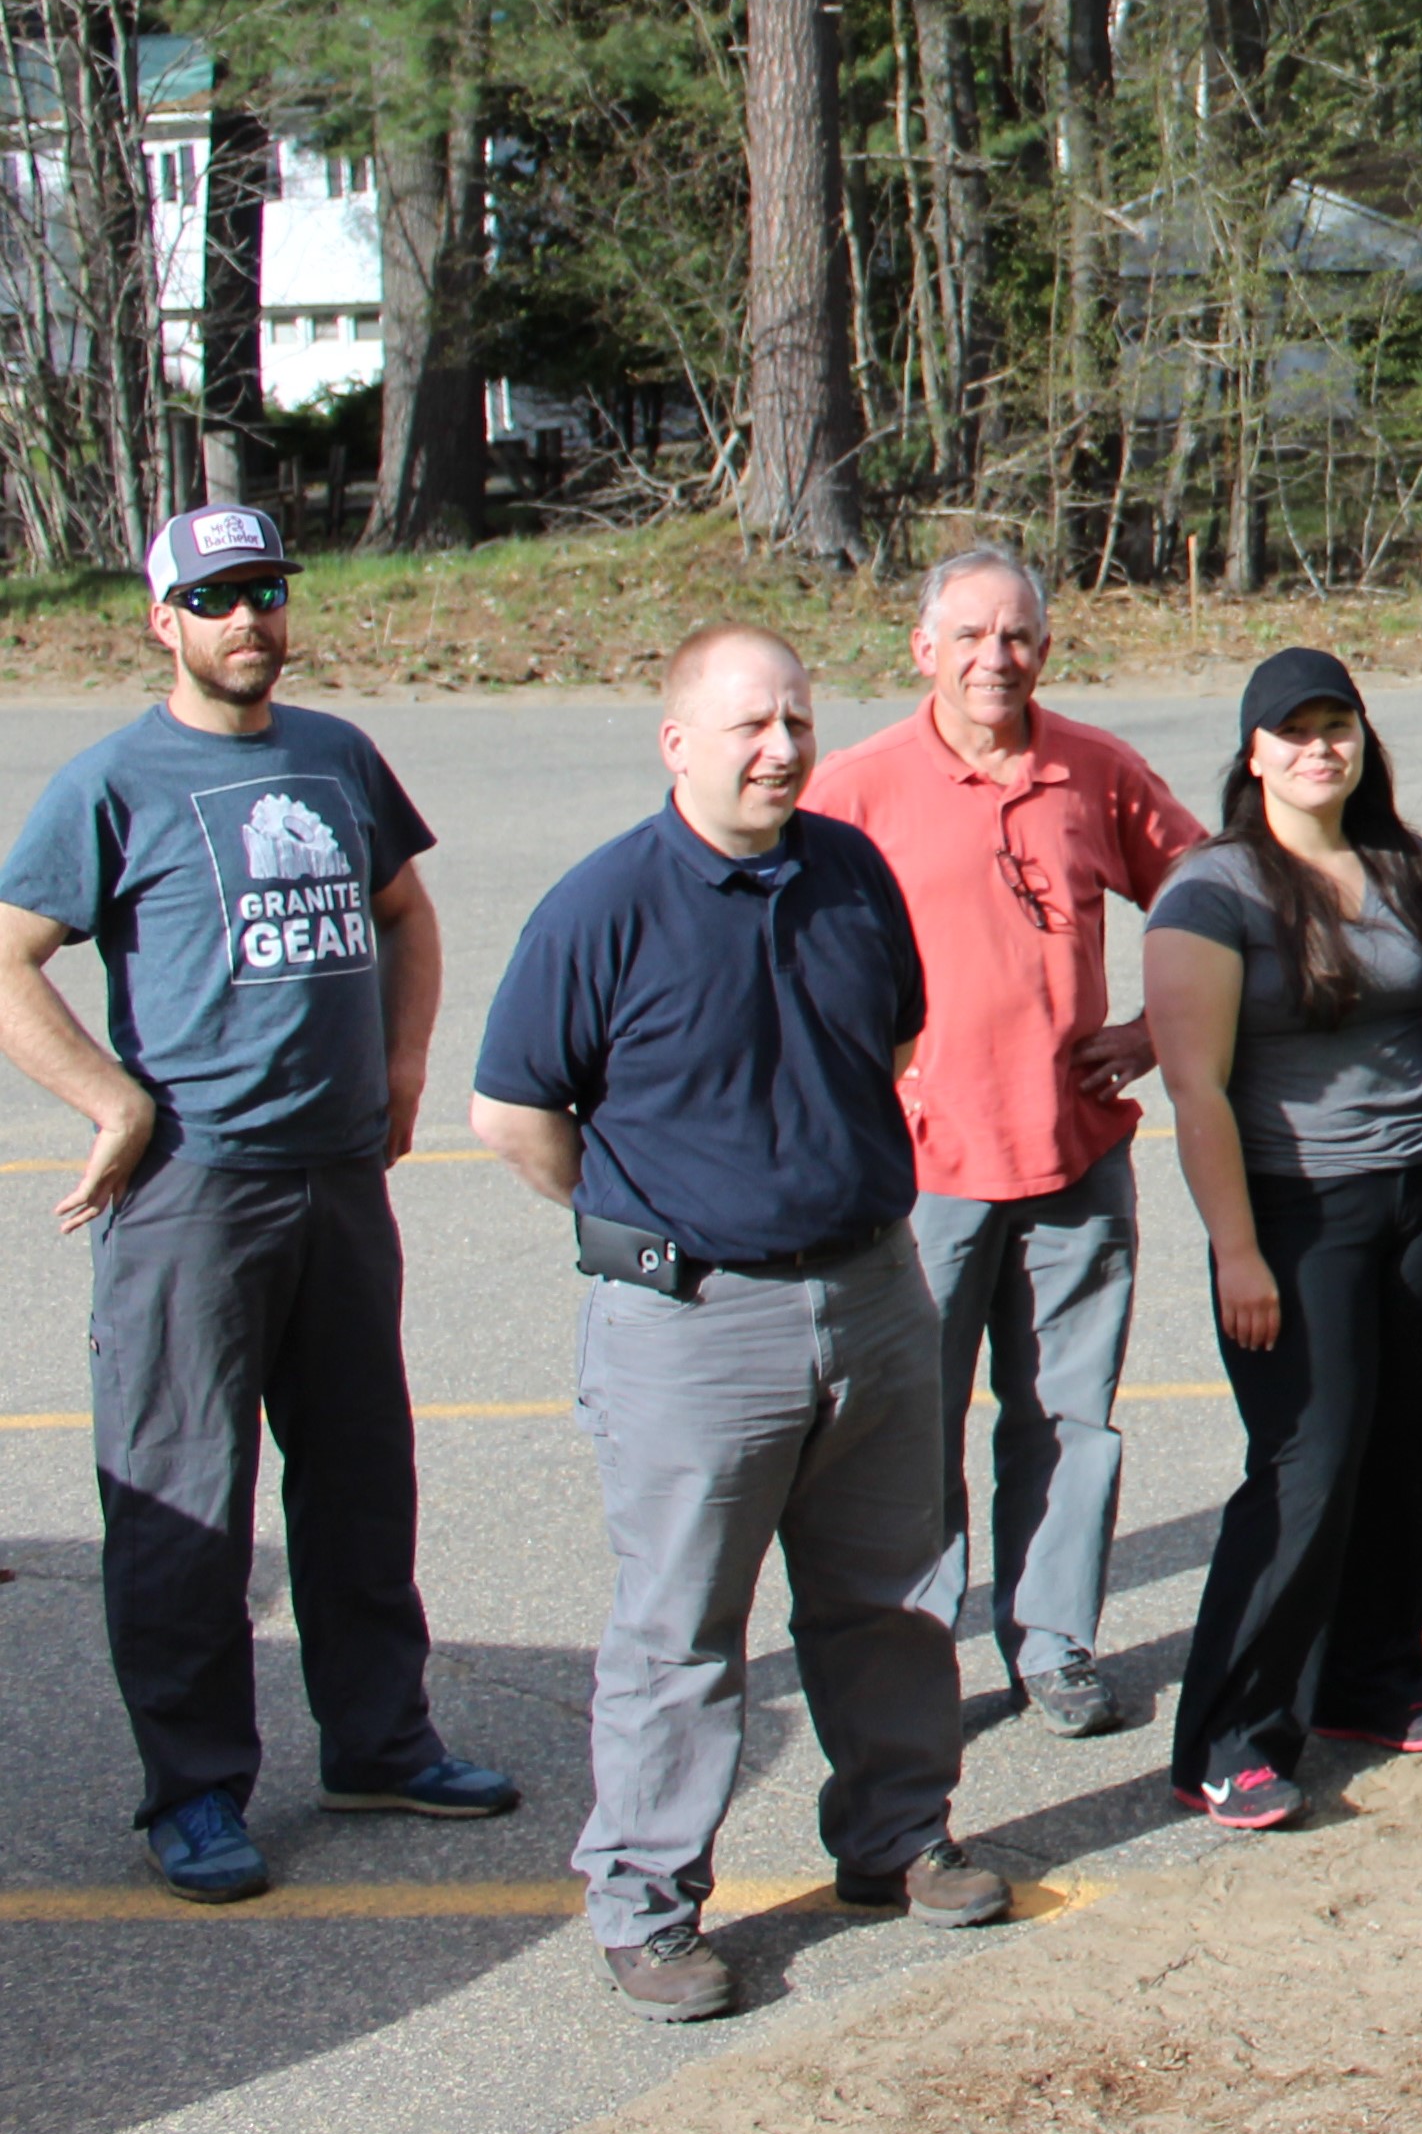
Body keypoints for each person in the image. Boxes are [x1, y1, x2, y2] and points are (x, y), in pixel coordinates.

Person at [469, 623, 1004, 2024]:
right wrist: (648, 1214)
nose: (780, 748)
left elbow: (891, 1041)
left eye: (797, 721)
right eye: (750, 725)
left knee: (892, 1595)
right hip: (693, 1322)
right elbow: (513, 1111)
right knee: (681, 1630)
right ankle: (648, 1902)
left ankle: (897, 1834)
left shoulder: (850, 872)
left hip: (870, 1292)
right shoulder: (604, 906)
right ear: (677, 743)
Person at [0, 507, 513, 1905]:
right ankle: (196, 1789)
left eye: (266, 590)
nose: (247, 618)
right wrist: (114, 1105)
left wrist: (402, 1062)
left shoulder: (335, 755)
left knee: (360, 1478)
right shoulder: (114, 783)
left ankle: (380, 1741)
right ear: (161, 620)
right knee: (184, 1504)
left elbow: (405, 912)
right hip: (194, 1190)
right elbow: (11, 955)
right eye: (215, 598)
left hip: (337, 1182)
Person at [801, 547, 1205, 1741]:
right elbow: (783, 951)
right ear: (922, 649)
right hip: (923, 1170)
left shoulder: (1093, 770)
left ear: (1046, 648)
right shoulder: (857, 789)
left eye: (1017, 635)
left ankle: (1054, 1642)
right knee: (908, 1430)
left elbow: (1204, 888)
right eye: (970, 636)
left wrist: (1152, 1029)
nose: (996, 657)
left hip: (1076, 1154)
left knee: (1068, 1418)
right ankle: (915, 1654)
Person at [1144, 651, 1422, 1834]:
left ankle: (1370, 1681)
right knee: (1306, 1465)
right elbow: (1194, 1089)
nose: (1317, 749)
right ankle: (1229, 1739)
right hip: (1296, 1214)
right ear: (1253, 754)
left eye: (1335, 726)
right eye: (1291, 732)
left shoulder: (1404, 866)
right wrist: (1236, 1251)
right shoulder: (1213, 891)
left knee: (1405, 1452)